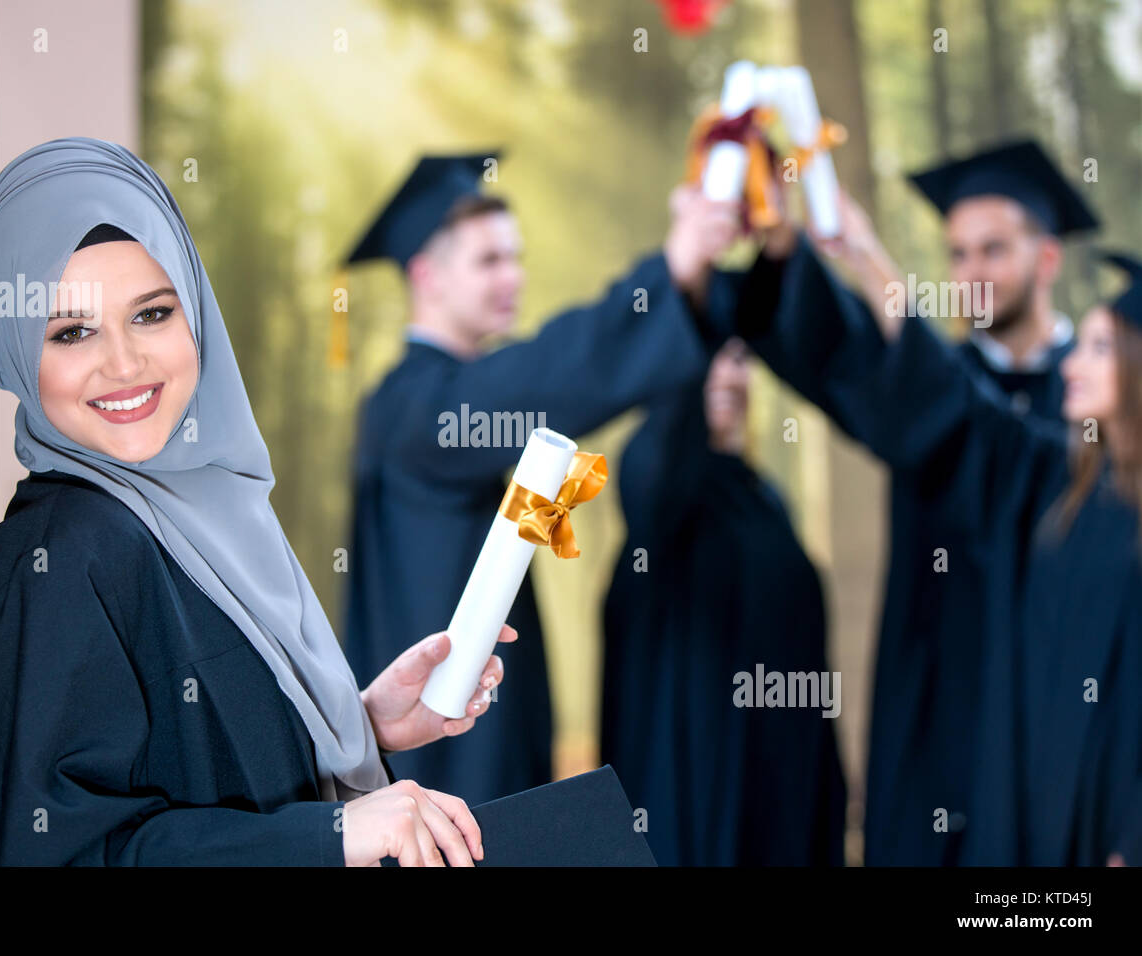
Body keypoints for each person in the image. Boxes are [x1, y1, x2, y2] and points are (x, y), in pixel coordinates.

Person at [0, 137, 515, 867]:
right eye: (72, 331)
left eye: (152, 314)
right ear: (12, 346)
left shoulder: (203, 506)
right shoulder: (62, 552)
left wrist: (359, 723)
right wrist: (332, 835)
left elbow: (194, 754)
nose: (125, 363)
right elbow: (63, 857)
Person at [733, 140, 1100, 865]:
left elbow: (992, 439)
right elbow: (835, 347)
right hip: (938, 709)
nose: (972, 274)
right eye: (957, 255)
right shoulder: (918, 376)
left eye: (993, 250)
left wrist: (870, 258)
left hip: (1057, 714)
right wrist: (786, 239)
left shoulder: (1095, 393)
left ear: (1047, 258)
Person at [342, 155, 742, 805]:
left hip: (484, 731)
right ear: (426, 274)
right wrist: (671, 266)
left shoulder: (440, 402)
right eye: (490, 261)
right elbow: (541, 379)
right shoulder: (410, 408)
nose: (514, 277)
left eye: (516, 257)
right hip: (442, 761)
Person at [600, 336, 846, 866]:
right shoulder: (658, 498)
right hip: (696, 793)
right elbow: (654, 471)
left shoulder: (766, 498)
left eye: (737, 356)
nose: (722, 375)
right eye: (702, 354)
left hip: (777, 793)